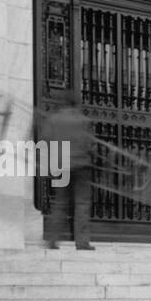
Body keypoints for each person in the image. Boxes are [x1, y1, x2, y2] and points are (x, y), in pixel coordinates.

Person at [39, 90, 95, 250]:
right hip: (81, 165)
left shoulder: (53, 120)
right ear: (77, 103)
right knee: (82, 204)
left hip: (60, 165)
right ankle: (82, 242)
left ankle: (53, 239)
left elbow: (45, 142)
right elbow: (90, 144)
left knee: (60, 203)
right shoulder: (83, 121)